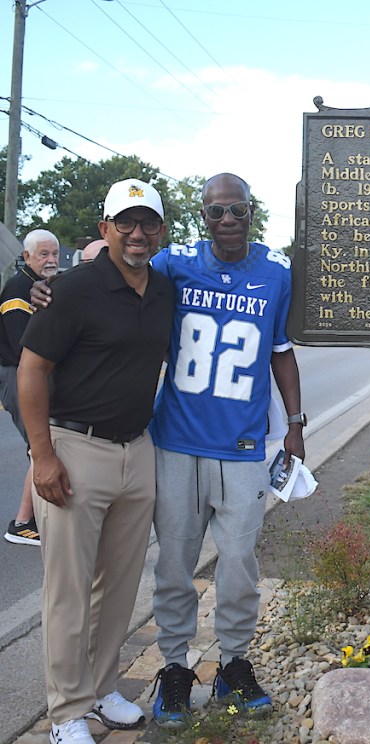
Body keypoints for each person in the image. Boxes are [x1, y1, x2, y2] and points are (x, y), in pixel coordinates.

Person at [18, 179, 174, 744]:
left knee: (120, 584)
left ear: (161, 231)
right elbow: (32, 371)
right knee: (68, 589)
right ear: (105, 228)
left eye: (148, 223)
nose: (137, 233)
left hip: (138, 448)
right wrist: (43, 456)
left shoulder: (163, 288)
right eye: (125, 223)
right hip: (75, 449)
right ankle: (65, 713)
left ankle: (103, 688)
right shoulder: (74, 290)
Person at [147, 173, 304, 728]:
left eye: (237, 209)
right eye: (216, 212)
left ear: (251, 211)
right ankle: (173, 666)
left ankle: (234, 663)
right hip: (177, 439)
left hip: (241, 445)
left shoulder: (276, 272)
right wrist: (48, 286)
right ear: (203, 216)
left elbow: (282, 351)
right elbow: (118, 275)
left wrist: (295, 423)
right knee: (175, 561)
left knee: (238, 562)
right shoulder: (174, 262)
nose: (228, 220)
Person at [1, 229, 60, 546]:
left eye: (54, 254)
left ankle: (33, 519)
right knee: (39, 447)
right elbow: (20, 349)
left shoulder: (44, 286)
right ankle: (23, 523)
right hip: (16, 375)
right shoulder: (18, 289)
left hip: (30, 375)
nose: (51, 260)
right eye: (43, 255)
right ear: (26, 257)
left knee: (43, 445)